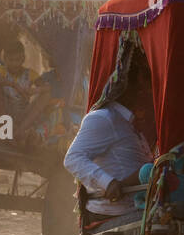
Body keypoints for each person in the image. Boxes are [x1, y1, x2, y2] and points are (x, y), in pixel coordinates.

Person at [63, 76, 155, 221]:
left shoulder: (131, 123)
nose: (146, 93)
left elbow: (141, 170)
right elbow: (73, 158)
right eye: (141, 88)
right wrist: (108, 182)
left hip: (137, 206)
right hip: (115, 212)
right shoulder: (104, 117)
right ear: (126, 89)